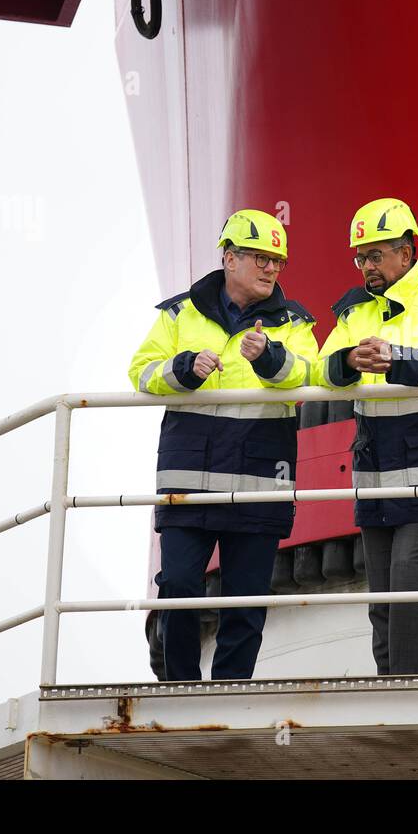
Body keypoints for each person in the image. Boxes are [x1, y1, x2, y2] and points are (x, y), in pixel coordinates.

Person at [128, 208, 319, 681]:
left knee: (247, 594)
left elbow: (310, 375)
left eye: (278, 261)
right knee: (177, 584)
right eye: (260, 258)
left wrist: (271, 358)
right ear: (230, 259)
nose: (271, 268)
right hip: (187, 476)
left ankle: (231, 689)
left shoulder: (293, 321)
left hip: (259, 475)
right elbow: (141, 372)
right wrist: (185, 368)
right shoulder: (178, 314)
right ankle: (179, 687)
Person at [314, 197, 418, 675]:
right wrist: (347, 361)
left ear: (406, 255)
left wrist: (399, 360)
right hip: (374, 467)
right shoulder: (351, 312)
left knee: (407, 576)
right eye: (360, 257)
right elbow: (318, 372)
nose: (365, 266)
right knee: (381, 587)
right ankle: (388, 679)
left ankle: (407, 681)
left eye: (375, 255)